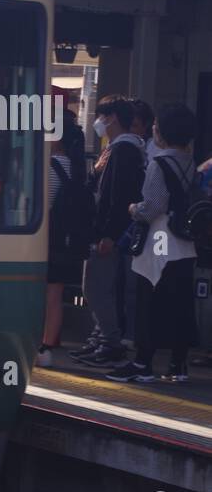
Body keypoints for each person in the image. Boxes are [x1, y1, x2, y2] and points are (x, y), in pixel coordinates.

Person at [107, 104, 199, 383]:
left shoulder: (159, 164)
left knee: (150, 298)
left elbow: (153, 207)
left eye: (157, 125)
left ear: (166, 131)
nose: (154, 129)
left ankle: (143, 363)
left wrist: (134, 208)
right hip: (185, 242)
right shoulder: (191, 163)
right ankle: (177, 365)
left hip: (160, 240)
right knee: (180, 303)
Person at [73, 95, 144, 366]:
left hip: (107, 234)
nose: (99, 121)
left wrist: (109, 234)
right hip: (105, 231)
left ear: (113, 118)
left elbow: (118, 197)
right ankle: (100, 338)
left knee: (95, 289)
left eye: (102, 115)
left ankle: (110, 343)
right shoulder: (117, 149)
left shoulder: (123, 150)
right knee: (100, 288)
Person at [38, 116, 89, 367]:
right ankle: (49, 343)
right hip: (67, 240)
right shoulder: (76, 166)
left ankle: (40, 343)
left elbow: (43, 206)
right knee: (55, 295)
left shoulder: (51, 166)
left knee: (42, 293)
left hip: (48, 238)